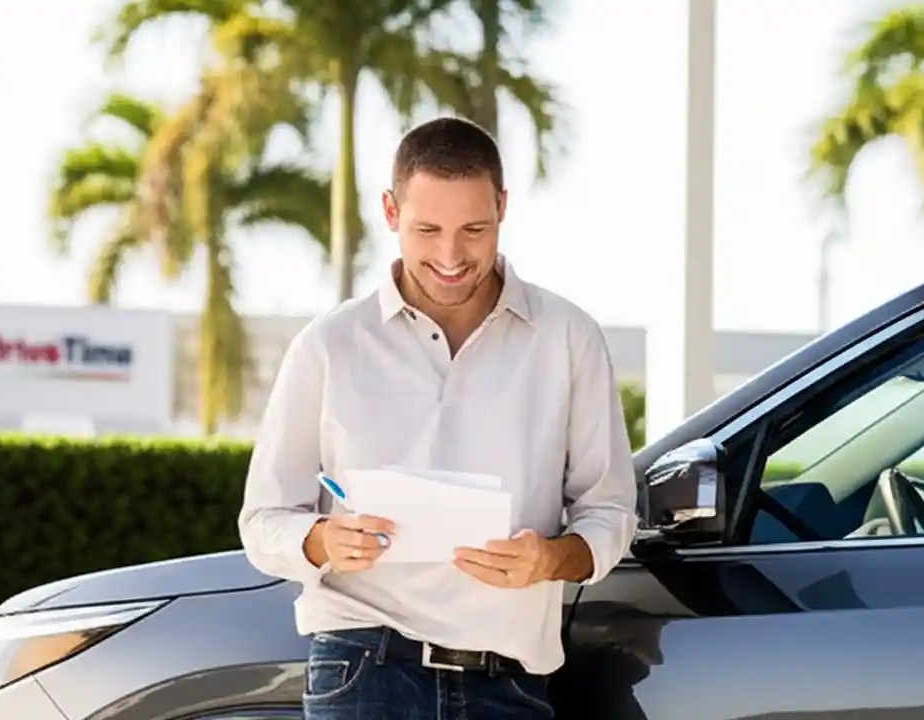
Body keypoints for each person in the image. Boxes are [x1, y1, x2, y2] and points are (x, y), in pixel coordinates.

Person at [237, 116, 639, 719]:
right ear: (391, 212)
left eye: (474, 229)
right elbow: (263, 519)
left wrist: (553, 559)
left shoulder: (567, 339)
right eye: (428, 229)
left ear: (503, 207)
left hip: (508, 684)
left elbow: (609, 511)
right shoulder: (329, 346)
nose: (451, 256)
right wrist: (321, 540)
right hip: (362, 668)